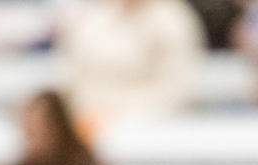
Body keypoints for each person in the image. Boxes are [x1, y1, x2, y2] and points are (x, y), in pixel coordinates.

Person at [60, 0, 205, 128]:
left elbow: (177, 90)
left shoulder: (172, 20)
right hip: (86, 116)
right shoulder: (93, 16)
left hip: (148, 121)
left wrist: (114, 112)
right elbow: (70, 77)